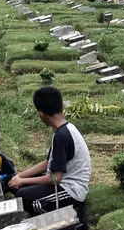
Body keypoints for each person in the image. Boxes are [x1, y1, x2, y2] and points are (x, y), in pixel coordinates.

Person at [10, 86, 92, 217]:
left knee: (23, 196)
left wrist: (23, 181)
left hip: (71, 191)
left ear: (40, 114)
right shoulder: (64, 130)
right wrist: (19, 176)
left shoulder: (62, 136)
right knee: (15, 185)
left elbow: (55, 179)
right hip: (62, 183)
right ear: (62, 106)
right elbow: (48, 163)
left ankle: (71, 215)